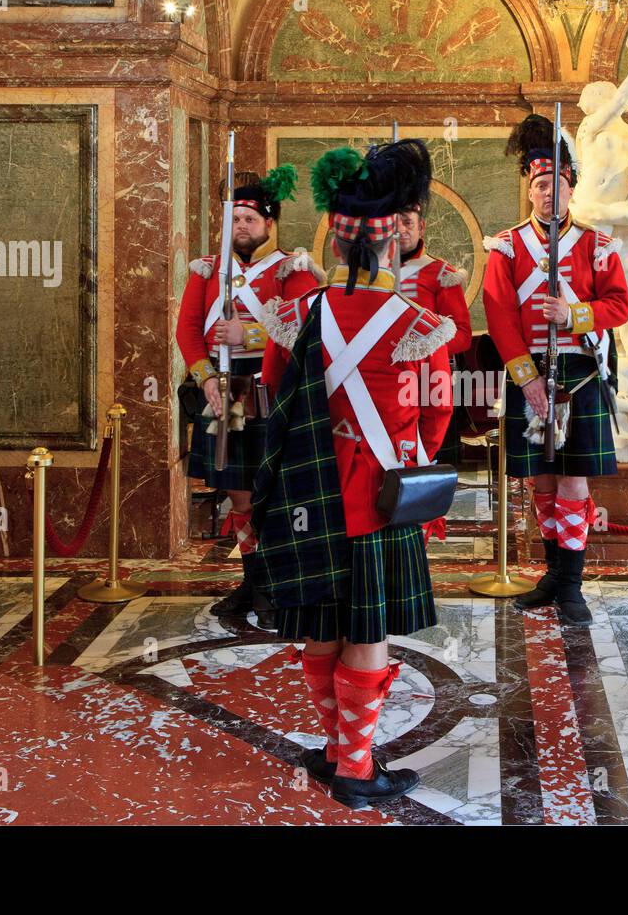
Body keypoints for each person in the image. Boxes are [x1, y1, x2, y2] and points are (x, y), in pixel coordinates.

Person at [253, 139, 454, 808]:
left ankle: (338, 748)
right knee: (368, 631)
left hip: (310, 492)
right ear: (391, 244)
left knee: (323, 624)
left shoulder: (299, 315)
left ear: (337, 246)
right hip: (379, 498)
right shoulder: (421, 323)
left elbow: (274, 400)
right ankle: (357, 769)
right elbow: (436, 416)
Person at [482, 114, 628, 626]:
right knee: (541, 482)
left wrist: (576, 314)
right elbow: (499, 317)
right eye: (540, 184)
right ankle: (551, 572)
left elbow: (620, 306)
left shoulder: (597, 245)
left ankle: (571, 585)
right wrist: (526, 380)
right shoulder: (505, 247)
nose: (549, 194)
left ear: (571, 189)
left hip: (581, 373)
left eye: (558, 184)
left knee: (573, 482)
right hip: (529, 374)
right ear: (529, 190)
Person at [174, 165, 321, 626]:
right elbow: (186, 331)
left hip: (272, 392)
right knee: (238, 496)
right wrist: (206, 379)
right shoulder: (207, 271)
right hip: (223, 392)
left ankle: (279, 582)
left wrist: (250, 334)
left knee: (272, 493)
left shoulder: (289, 270)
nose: (241, 228)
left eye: (250, 220)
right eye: (235, 220)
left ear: (269, 224)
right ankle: (253, 579)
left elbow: (303, 330)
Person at [395, 202, 472, 464]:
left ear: (422, 227)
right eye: (394, 222)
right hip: (385, 382)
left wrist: (423, 348)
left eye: (408, 222)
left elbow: (462, 336)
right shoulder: (372, 273)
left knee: (430, 469)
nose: (401, 229)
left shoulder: (441, 274)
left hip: (428, 382)